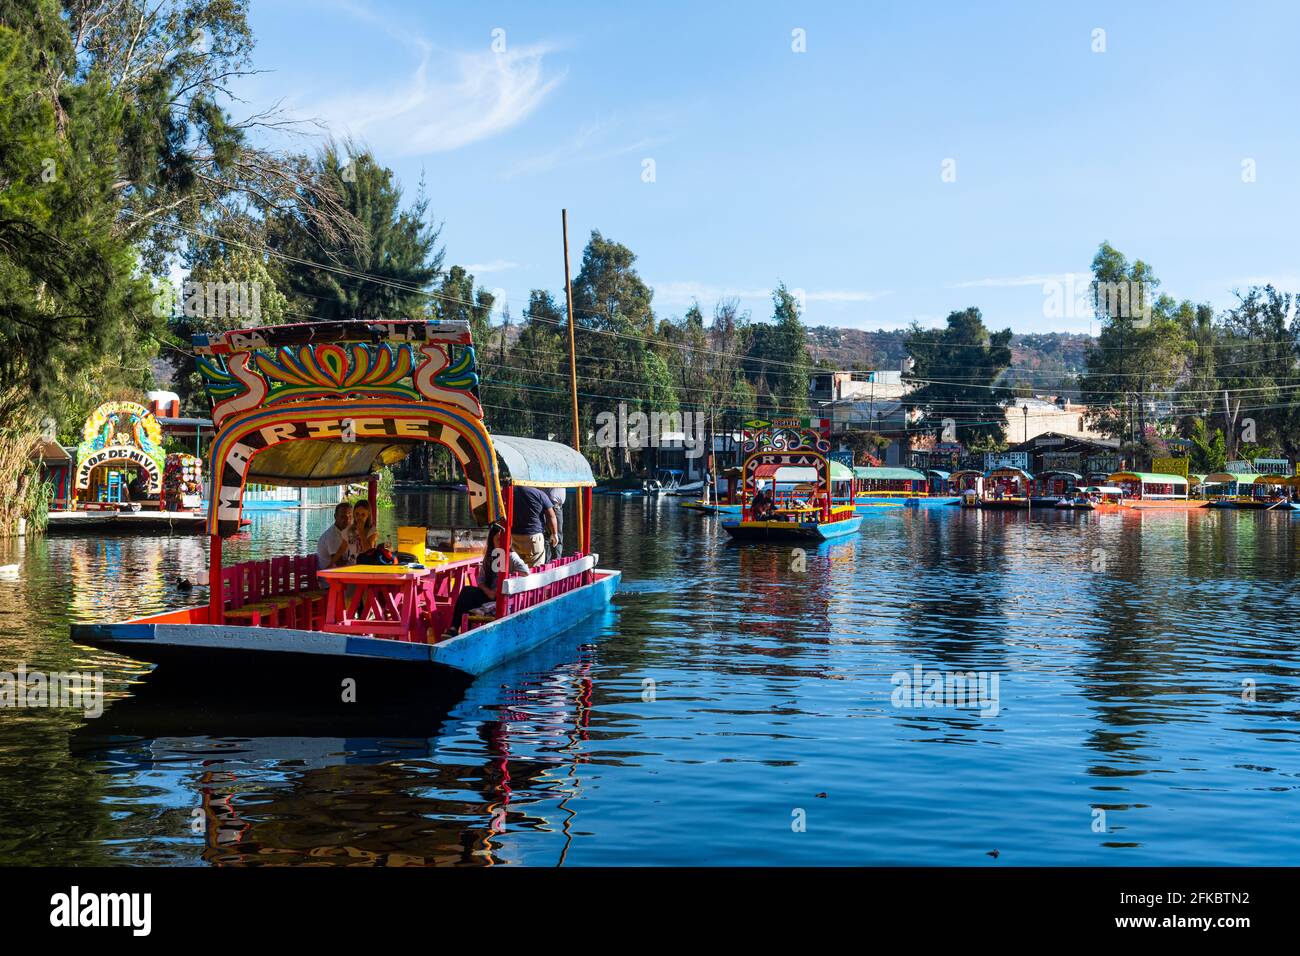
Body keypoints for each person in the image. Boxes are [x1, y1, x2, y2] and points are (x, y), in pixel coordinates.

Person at [444, 522, 530, 637]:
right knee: (466, 592)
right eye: (498, 540)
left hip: (506, 596)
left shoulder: (511, 556)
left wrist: (510, 578)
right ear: (492, 542)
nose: (502, 543)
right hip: (491, 595)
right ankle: (455, 627)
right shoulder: (490, 557)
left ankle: (463, 630)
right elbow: (481, 581)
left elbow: (526, 572)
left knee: (469, 596)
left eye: (505, 540)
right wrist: (489, 592)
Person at [510, 485, 557, 567]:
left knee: (516, 571)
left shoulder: (510, 492)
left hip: (514, 537)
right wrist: (554, 533)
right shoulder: (539, 494)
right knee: (534, 571)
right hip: (534, 538)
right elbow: (551, 515)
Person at [316, 501, 354, 570]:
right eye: (343, 516)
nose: (347, 520)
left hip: (339, 573)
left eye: (350, 516)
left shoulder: (346, 533)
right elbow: (339, 563)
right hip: (329, 576)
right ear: (335, 516)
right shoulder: (332, 535)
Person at [547, 487, 566, 561]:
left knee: (555, 536)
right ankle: (553, 562)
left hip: (556, 506)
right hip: (553, 506)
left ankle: (554, 562)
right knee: (555, 536)